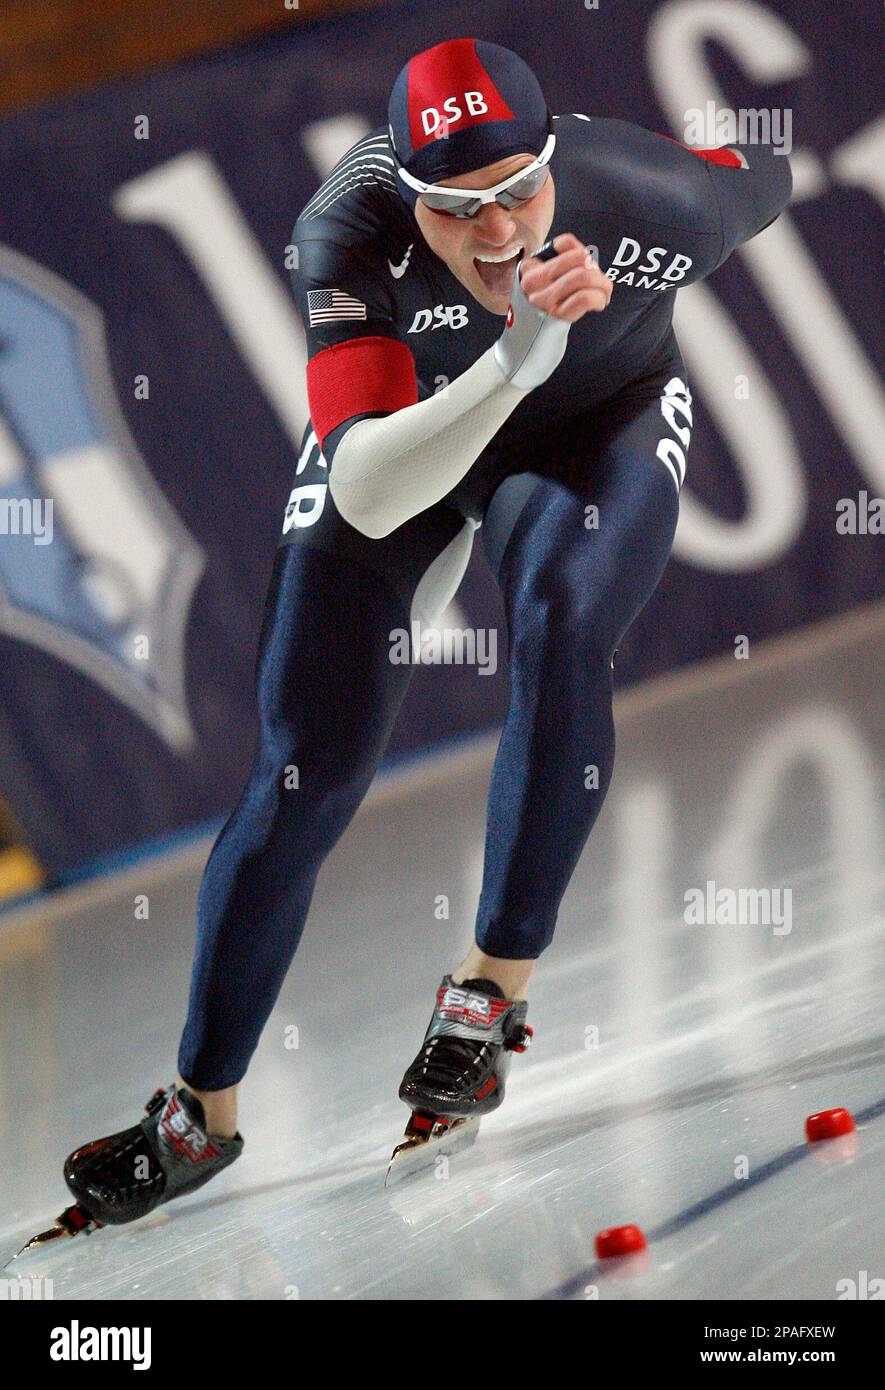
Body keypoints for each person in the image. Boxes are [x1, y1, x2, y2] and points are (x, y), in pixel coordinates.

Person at [61, 36, 792, 1225]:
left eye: (518, 192)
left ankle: (489, 991)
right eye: (457, 211)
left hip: (594, 420)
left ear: (559, 160)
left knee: (559, 623)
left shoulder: (656, 200)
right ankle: (198, 1110)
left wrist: (537, 365)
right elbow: (370, 491)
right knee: (301, 767)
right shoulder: (343, 234)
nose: (498, 232)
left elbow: (767, 172)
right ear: (408, 195)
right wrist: (511, 361)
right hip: (411, 437)